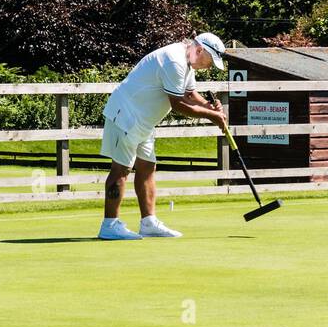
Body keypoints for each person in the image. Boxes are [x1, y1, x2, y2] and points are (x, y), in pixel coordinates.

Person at [97, 33, 229, 240]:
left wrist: (209, 106)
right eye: (210, 61)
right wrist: (212, 116)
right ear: (200, 50)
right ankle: (109, 225)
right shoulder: (174, 60)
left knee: (147, 167)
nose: (209, 66)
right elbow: (178, 104)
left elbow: (190, 95)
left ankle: (148, 222)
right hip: (126, 114)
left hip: (144, 121)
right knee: (121, 169)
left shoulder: (187, 62)